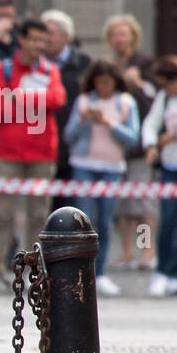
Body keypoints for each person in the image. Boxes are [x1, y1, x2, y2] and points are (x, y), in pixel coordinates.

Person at [0, 18, 66, 287]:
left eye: (43, 40)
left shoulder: (50, 69)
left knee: (37, 214)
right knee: (2, 213)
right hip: (8, 152)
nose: (38, 45)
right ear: (21, 39)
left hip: (42, 152)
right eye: (34, 39)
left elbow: (57, 98)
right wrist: (35, 99)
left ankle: (34, 269)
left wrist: (19, 97)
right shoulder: (5, 69)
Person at [62, 61, 140, 297]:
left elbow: (132, 138)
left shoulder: (126, 103)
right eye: (98, 82)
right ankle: (79, 271)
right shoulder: (84, 101)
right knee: (83, 220)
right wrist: (83, 119)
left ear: (115, 82)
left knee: (104, 221)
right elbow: (69, 135)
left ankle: (101, 272)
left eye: (107, 82)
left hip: (111, 167)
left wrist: (110, 123)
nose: (103, 87)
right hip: (84, 165)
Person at [105, 14, 159, 271]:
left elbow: (154, 99)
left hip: (138, 146)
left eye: (123, 34)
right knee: (120, 205)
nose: (119, 39)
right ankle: (127, 251)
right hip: (114, 144)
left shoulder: (145, 63)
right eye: (115, 34)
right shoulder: (108, 65)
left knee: (141, 202)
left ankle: (147, 252)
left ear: (133, 37)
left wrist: (137, 83)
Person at [142, 55, 177, 297]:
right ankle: (167, 272)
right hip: (171, 168)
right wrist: (151, 144)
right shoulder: (164, 99)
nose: (167, 89)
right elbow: (150, 125)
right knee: (170, 222)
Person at [42, 9, 95, 195]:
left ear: (65, 36)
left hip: (75, 143)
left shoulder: (83, 63)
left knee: (73, 205)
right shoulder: (36, 64)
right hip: (45, 140)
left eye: (50, 33)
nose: (45, 38)